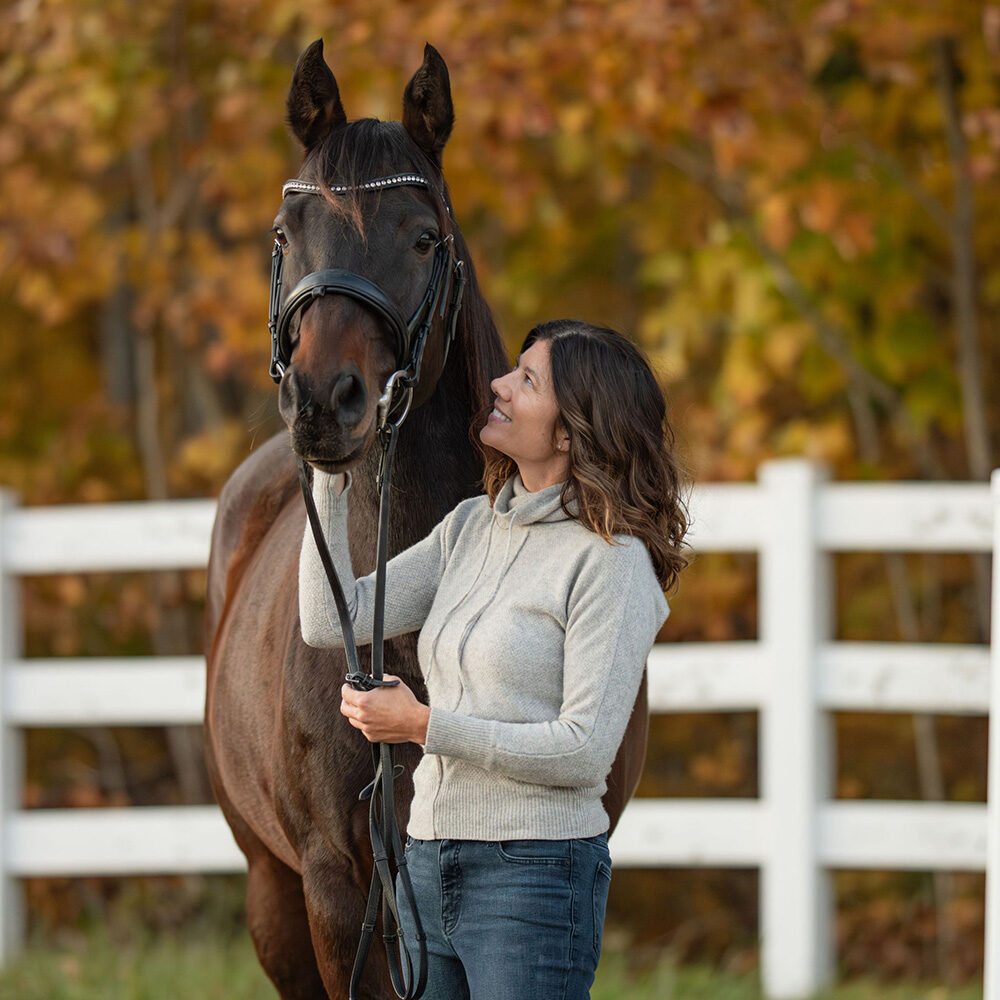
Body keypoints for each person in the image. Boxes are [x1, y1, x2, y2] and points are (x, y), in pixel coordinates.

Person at [299, 318, 690, 1000]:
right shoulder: (471, 527)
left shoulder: (613, 564)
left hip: (533, 876)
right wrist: (328, 476)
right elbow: (331, 619)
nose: (499, 385)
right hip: (428, 863)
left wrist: (423, 726)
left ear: (569, 430)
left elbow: (583, 751)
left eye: (527, 380)